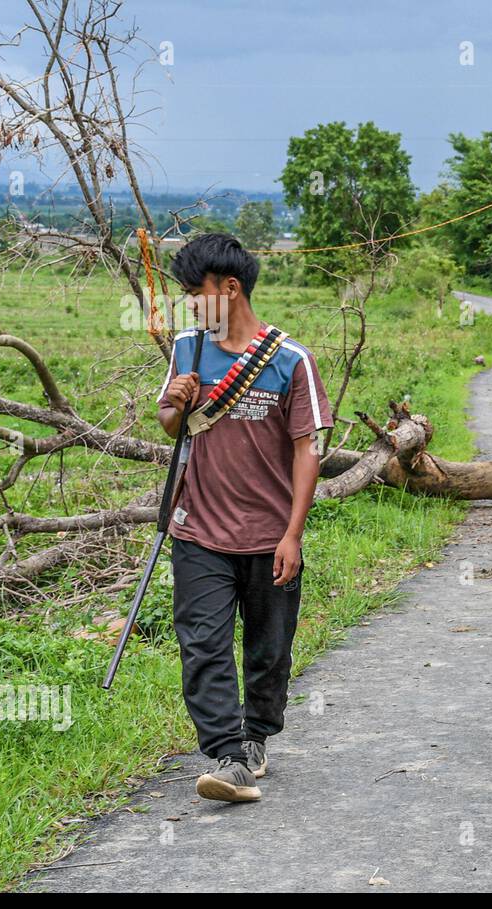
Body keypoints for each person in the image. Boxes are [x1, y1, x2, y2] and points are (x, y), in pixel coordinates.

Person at [156, 233, 331, 803]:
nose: (189, 304)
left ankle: (257, 735)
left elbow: (308, 448)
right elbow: (166, 423)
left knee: (269, 648)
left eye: (194, 292)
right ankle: (228, 755)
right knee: (202, 642)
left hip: (269, 534)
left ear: (229, 288)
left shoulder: (290, 360)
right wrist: (176, 403)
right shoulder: (188, 347)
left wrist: (293, 533)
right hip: (198, 528)